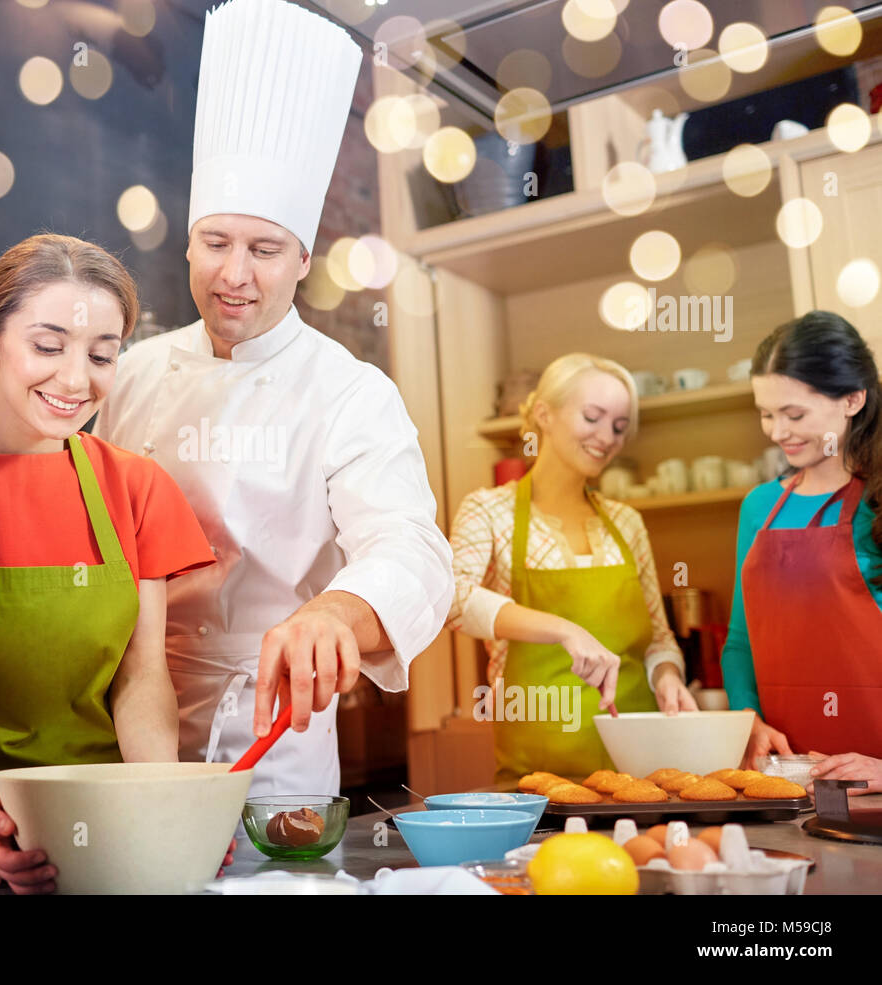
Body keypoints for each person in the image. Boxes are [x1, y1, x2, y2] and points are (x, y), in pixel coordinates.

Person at [94, 0, 454, 798]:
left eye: (263, 250)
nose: (234, 274)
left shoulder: (350, 391)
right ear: (188, 243)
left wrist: (333, 612)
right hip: (124, 726)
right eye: (216, 243)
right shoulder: (129, 373)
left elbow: (414, 550)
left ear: (301, 261)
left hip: (273, 742)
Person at [0, 235, 216, 892]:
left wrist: (160, 804)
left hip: (110, 821)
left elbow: (141, 677)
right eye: (48, 346)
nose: (75, 380)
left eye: (102, 354)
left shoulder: (137, 487)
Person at [448, 354, 697, 784]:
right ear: (543, 413)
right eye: (593, 417)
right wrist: (564, 629)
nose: (608, 437)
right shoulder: (488, 511)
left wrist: (669, 675)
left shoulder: (626, 523)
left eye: (619, 426)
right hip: (539, 779)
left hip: (639, 775)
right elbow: (452, 600)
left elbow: (658, 638)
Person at [723, 311, 882, 793]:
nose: (776, 432)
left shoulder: (877, 503)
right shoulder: (760, 507)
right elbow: (739, 642)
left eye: (794, 415)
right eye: (767, 414)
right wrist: (747, 719)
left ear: (853, 399)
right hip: (788, 785)